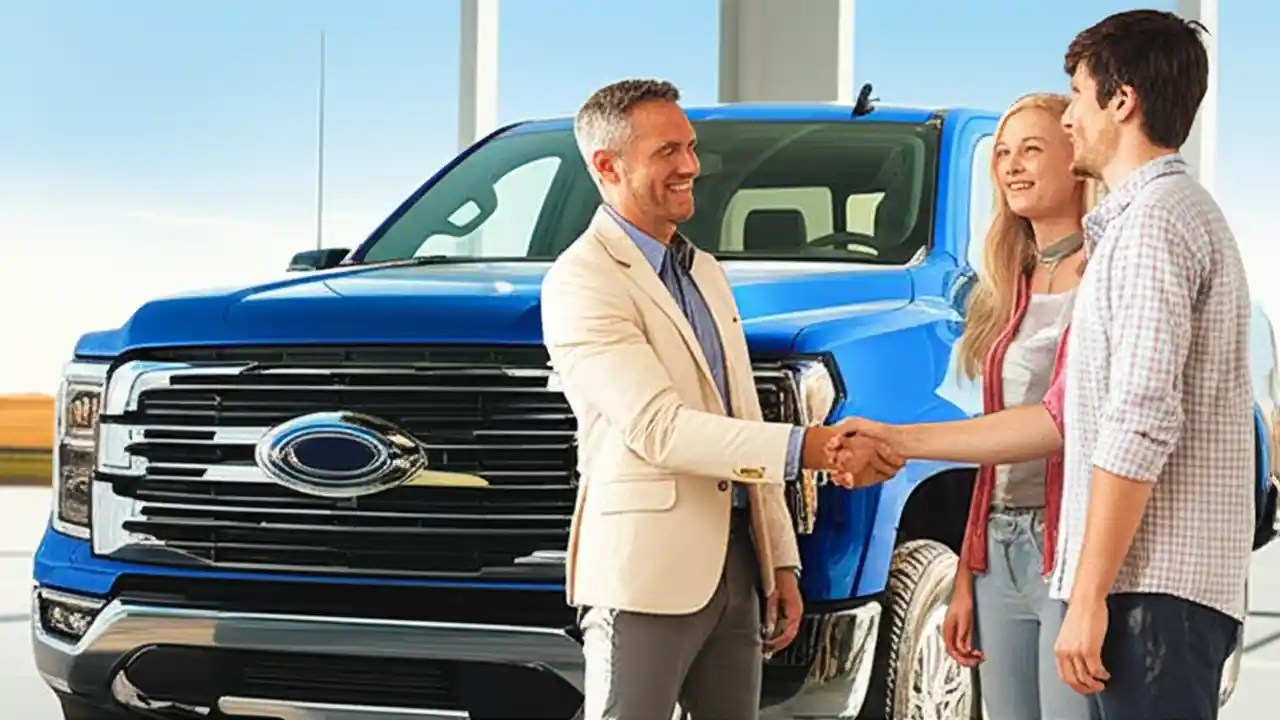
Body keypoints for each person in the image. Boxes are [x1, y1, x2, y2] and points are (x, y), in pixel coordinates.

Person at [831, 10, 1254, 720]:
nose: (1071, 119)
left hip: (1152, 585)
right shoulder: (1141, 223)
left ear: (1122, 101)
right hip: (1137, 584)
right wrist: (899, 440)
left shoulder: (1153, 225)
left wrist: (1086, 594)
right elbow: (1062, 418)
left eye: (1079, 97)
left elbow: (1140, 421)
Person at [540, 78, 903, 720]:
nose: (691, 166)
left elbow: (742, 414)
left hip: (737, 564)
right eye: (667, 152)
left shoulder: (702, 270)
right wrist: (814, 447)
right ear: (607, 165)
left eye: (690, 147)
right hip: (647, 573)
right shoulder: (581, 281)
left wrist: (780, 561)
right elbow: (659, 428)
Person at [942, 91, 1100, 720]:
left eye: (1032, 149)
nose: (1012, 165)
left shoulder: (1108, 272)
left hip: (1071, 550)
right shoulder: (1003, 287)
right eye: (1003, 153)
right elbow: (992, 444)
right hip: (997, 547)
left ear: (1076, 157)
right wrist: (965, 577)